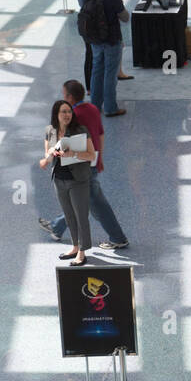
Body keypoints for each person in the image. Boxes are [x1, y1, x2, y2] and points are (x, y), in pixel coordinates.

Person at [39, 78, 128, 251]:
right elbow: (100, 134)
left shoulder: (73, 117)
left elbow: (62, 142)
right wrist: (99, 158)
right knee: (86, 201)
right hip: (92, 160)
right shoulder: (93, 109)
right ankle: (57, 227)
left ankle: (118, 238)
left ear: (70, 98)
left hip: (80, 166)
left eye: (64, 95)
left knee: (95, 204)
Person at [39, 97, 95, 266]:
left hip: (78, 180)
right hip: (59, 180)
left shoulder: (80, 130)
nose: (67, 114)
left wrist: (74, 155)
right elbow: (46, 157)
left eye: (69, 111)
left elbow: (91, 155)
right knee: (69, 216)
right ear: (56, 114)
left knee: (81, 216)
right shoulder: (50, 131)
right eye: (63, 111)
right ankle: (75, 247)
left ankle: (82, 253)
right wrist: (49, 156)